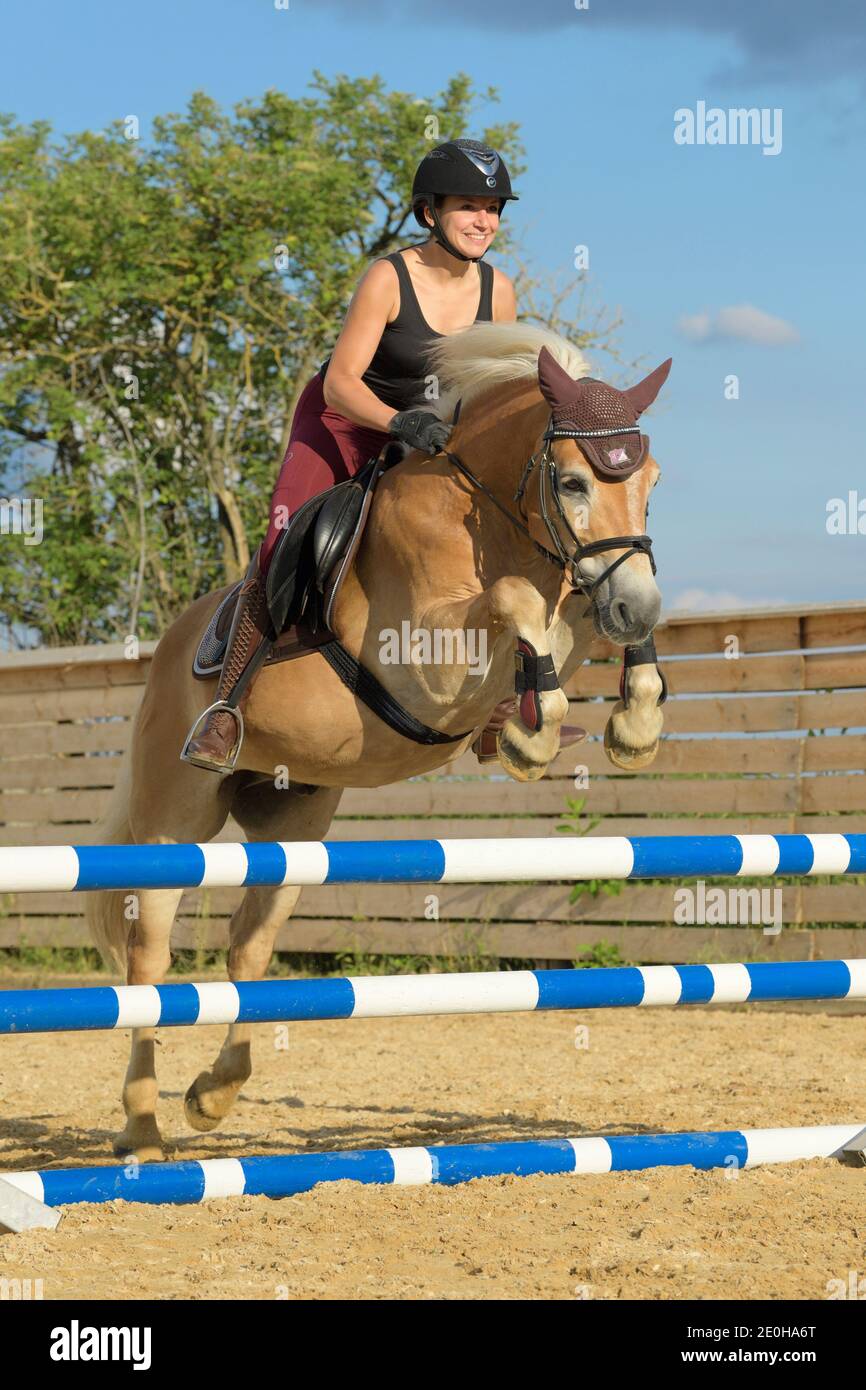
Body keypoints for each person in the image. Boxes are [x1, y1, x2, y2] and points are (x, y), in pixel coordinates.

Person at [182, 138, 521, 773]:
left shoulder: (497, 291)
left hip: (428, 433)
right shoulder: (388, 278)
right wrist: (401, 422)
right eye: (469, 207)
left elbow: (493, 393)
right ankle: (226, 707)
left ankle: (498, 706)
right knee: (286, 535)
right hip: (343, 421)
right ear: (429, 213)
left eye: (494, 209)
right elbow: (341, 382)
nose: (484, 221)